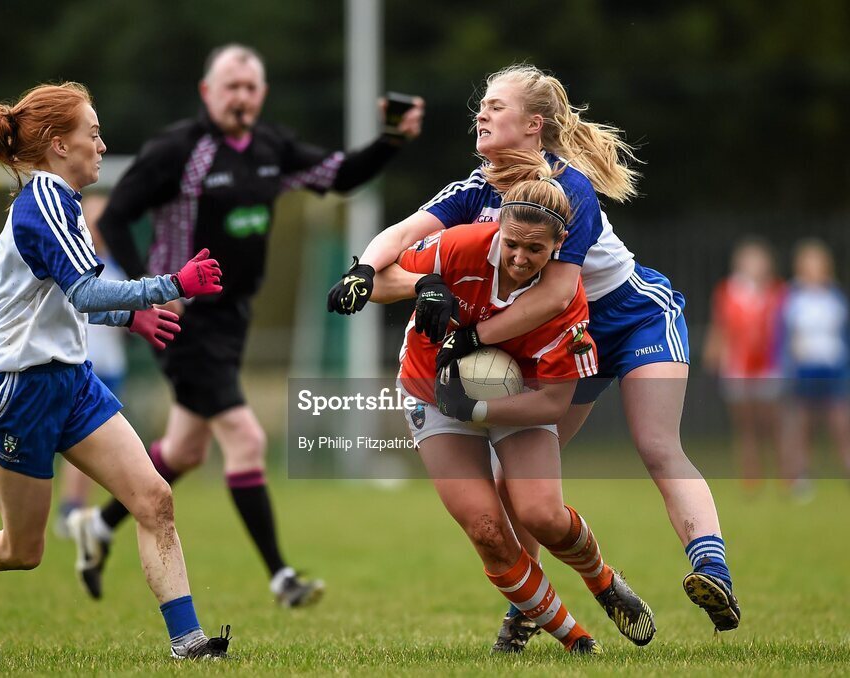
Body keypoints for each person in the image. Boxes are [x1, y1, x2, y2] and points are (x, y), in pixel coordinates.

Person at [328, 64, 739, 649]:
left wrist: (475, 339)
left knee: (656, 445)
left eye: (495, 106)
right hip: (556, 339)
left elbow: (555, 293)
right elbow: (402, 232)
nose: (481, 113)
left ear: (533, 125)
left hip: (628, 317)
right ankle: (528, 610)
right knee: (524, 491)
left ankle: (712, 572)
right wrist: (365, 269)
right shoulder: (478, 188)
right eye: (482, 105)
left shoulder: (569, 189)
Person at [0, 82, 231, 659]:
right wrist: (173, 286)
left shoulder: (59, 202)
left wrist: (129, 318)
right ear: (58, 145)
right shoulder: (43, 200)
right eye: (92, 134)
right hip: (21, 391)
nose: (101, 144)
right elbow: (84, 293)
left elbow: (68, 297)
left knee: (153, 498)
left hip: (72, 381)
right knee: (22, 549)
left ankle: (189, 644)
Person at [69, 43, 425, 607]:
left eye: (250, 87)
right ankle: (281, 577)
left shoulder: (271, 148)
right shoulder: (176, 150)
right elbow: (113, 217)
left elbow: (341, 175)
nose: (241, 96)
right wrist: (148, 294)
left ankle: (100, 525)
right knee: (246, 436)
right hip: (182, 319)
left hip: (232, 318)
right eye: (230, 86)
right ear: (207, 92)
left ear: (261, 95)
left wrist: (393, 138)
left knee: (185, 451)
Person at [372, 151, 656, 655]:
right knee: (486, 529)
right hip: (429, 386)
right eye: (512, 244)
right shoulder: (460, 246)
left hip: (518, 395)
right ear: (497, 228)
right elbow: (380, 278)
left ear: (560, 245)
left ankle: (602, 580)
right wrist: (425, 286)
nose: (520, 258)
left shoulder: (566, 306)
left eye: (535, 249)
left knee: (541, 514)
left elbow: (552, 402)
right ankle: (577, 640)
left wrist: (477, 409)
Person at [54, 194, 129, 538]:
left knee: (106, 446)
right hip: (85, 364)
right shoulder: (79, 263)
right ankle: (71, 510)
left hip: (113, 364)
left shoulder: (118, 264)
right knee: (83, 443)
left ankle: (84, 513)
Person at [702, 238, 785, 491]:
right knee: (745, 425)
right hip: (737, 366)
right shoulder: (728, 291)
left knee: (771, 423)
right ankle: (751, 477)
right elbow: (720, 326)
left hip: (769, 366)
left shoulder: (776, 291)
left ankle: (784, 475)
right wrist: (713, 354)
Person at [779, 238, 850, 499]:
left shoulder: (835, 296)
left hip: (833, 369)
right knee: (802, 425)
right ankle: (800, 476)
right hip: (804, 370)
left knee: (841, 422)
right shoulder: (792, 297)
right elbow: (784, 335)